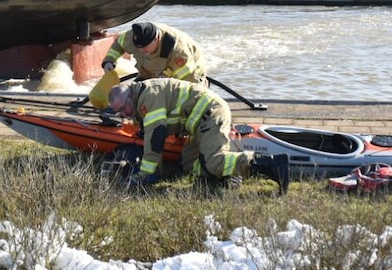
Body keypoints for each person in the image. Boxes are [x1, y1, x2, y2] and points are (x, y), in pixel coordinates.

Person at [107, 78, 290, 194]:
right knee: (188, 162)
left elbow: (156, 137)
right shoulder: (142, 95)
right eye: (119, 112)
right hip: (199, 125)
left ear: (130, 95)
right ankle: (224, 174)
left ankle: (272, 165)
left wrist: (145, 174)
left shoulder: (148, 97)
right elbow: (164, 126)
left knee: (213, 161)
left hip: (210, 115)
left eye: (124, 108)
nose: (124, 114)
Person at [101, 22, 207, 84]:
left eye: (145, 48)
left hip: (186, 78)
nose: (141, 51)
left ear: (157, 39)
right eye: (138, 48)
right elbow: (118, 45)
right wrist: (109, 61)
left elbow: (190, 83)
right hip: (151, 75)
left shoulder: (178, 52)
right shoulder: (134, 36)